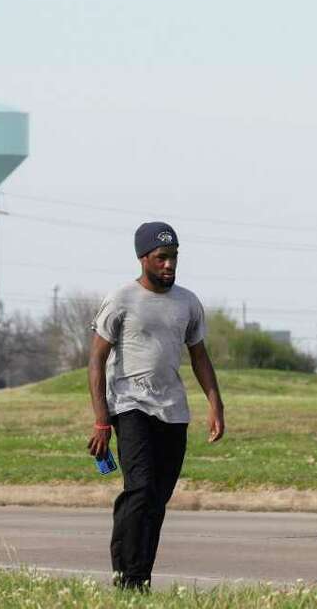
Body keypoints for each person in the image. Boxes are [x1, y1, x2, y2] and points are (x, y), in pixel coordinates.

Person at [87, 220, 225, 592]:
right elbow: (97, 359)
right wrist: (102, 419)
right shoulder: (121, 300)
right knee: (141, 489)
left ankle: (139, 578)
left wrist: (215, 404)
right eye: (162, 257)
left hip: (173, 411)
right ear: (143, 258)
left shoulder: (187, 302)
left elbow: (199, 357)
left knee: (157, 499)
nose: (169, 265)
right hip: (131, 405)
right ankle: (128, 579)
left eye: (174, 257)